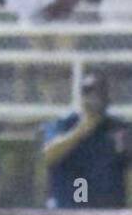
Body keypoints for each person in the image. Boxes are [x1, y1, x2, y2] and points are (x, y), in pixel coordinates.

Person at [41, 75, 129, 208]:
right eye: (88, 92)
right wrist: (81, 130)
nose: (94, 99)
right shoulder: (63, 125)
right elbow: (46, 156)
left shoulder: (119, 129)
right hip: (67, 213)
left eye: (99, 93)